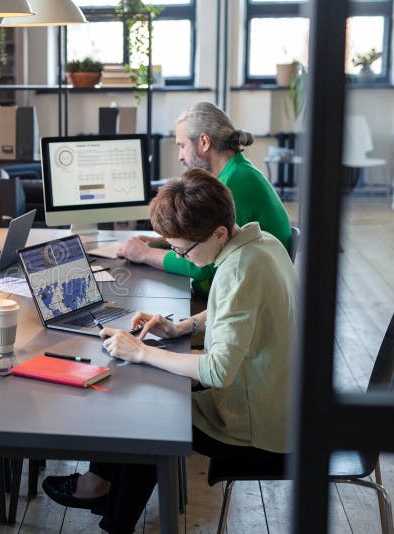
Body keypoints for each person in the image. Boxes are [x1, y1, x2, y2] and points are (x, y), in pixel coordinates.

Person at [42, 169, 297, 533]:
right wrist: (183, 327)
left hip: (261, 430)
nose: (182, 257)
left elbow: (217, 371)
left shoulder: (237, 269)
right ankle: (104, 496)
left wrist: (142, 352)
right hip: (279, 403)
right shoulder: (262, 243)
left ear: (219, 233)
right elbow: (234, 307)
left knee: (148, 418)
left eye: (183, 249)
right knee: (146, 401)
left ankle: (111, 515)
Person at [119, 102, 291, 295]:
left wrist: (144, 254)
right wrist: (164, 241)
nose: (180, 156)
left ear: (204, 142)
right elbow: (206, 236)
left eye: (182, 146)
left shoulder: (236, 182)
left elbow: (202, 266)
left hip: (247, 292)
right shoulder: (236, 171)